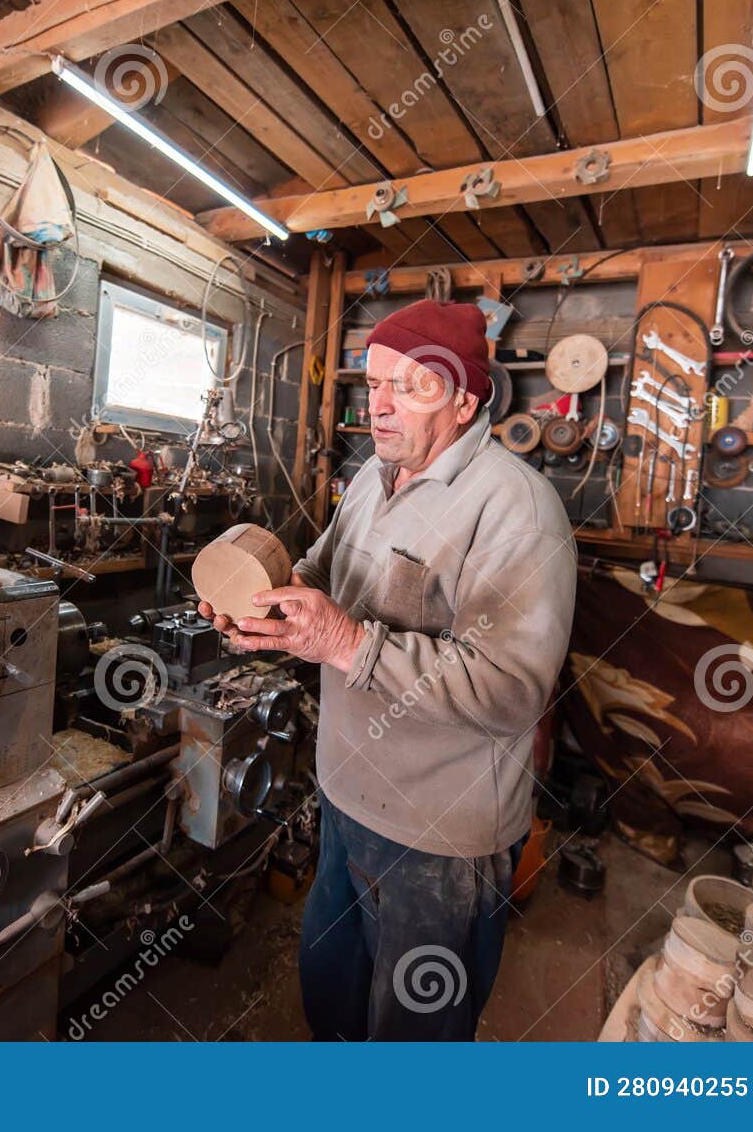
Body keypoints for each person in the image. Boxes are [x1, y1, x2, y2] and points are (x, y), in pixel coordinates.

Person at [197, 298, 577, 1039]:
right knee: (333, 1003)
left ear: (467, 399)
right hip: (345, 798)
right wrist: (267, 607)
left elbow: (511, 690)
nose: (380, 407)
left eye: (410, 386)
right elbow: (319, 570)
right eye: (373, 385)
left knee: (411, 1041)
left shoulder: (518, 510)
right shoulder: (373, 476)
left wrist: (346, 644)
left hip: (438, 841)